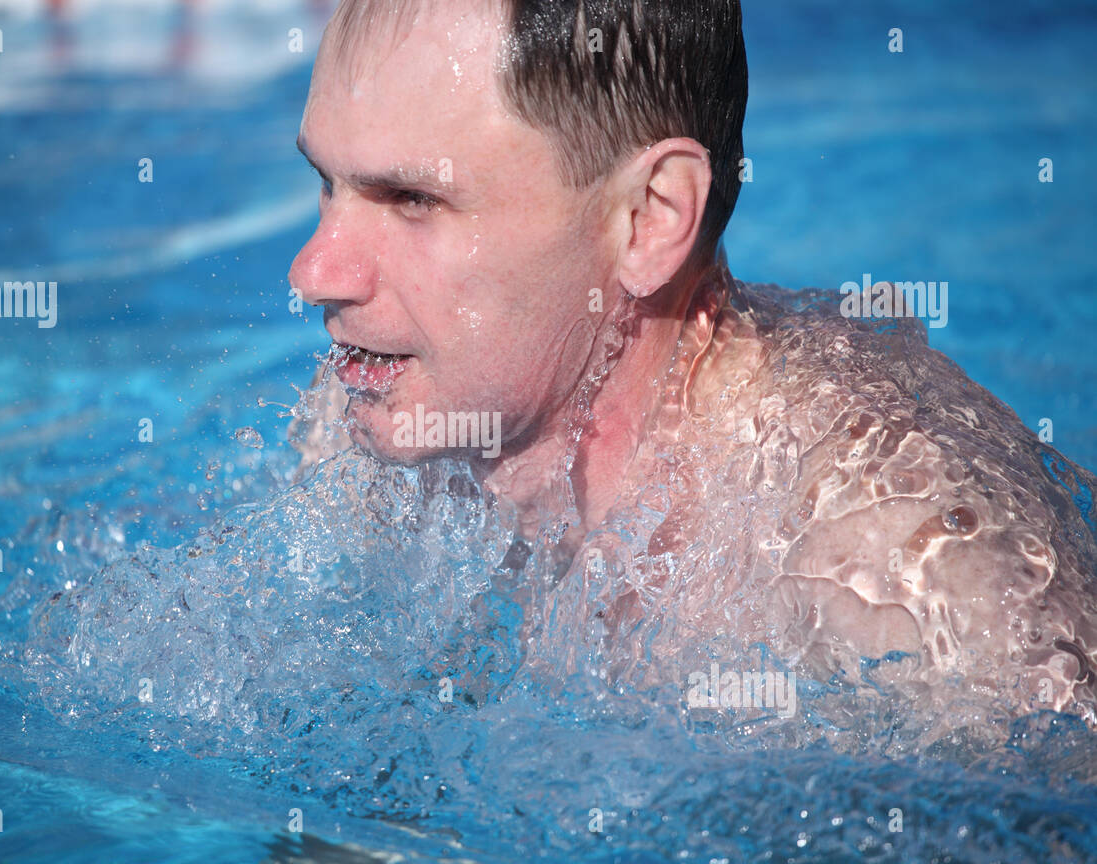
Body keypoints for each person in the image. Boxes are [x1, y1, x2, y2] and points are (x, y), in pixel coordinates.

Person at [285, 0, 1097, 731]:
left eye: (412, 201)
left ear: (649, 219)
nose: (315, 272)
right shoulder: (365, 419)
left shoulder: (909, 570)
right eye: (327, 185)